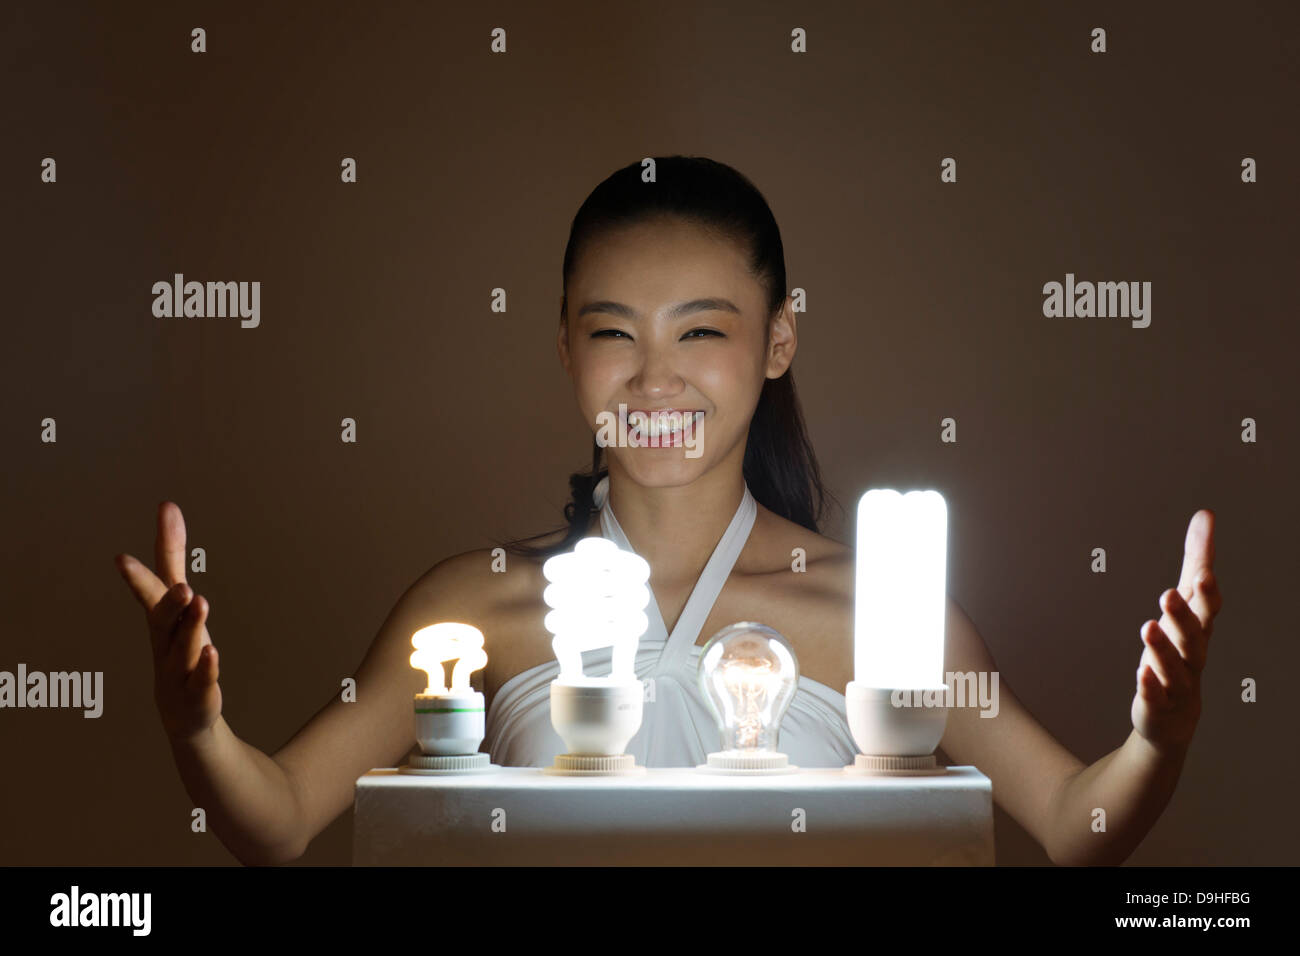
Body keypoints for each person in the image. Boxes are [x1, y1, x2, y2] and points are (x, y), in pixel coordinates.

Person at [115, 156, 1222, 866]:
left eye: (700, 331)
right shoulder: (470, 605)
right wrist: (195, 726)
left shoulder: (880, 608)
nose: (653, 380)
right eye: (612, 332)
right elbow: (278, 819)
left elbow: (1076, 821)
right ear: (563, 346)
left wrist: (1154, 739)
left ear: (777, 340)